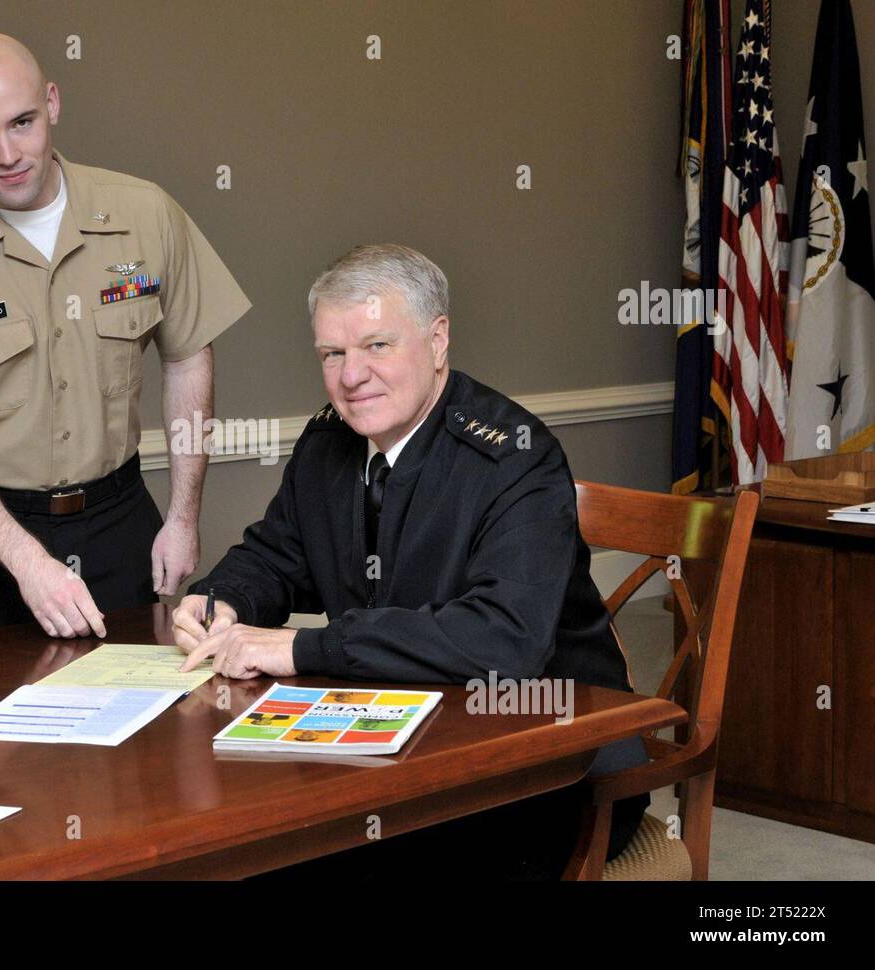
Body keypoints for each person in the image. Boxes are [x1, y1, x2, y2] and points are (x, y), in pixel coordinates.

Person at [172, 243, 646, 878]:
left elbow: (503, 644)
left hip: (552, 762)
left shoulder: (516, 458)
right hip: (401, 746)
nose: (351, 375)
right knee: (239, 837)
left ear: (438, 339)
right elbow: (276, 555)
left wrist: (302, 650)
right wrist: (224, 602)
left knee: (311, 852)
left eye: (377, 346)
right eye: (332, 354)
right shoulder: (329, 447)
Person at [0, 33, 250, 640]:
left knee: (142, 725)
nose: (8, 152)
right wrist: (27, 563)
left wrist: (183, 515)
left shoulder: (146, 215)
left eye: (23, 122)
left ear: (53, 104)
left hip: (118, 527)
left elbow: (189, 354)